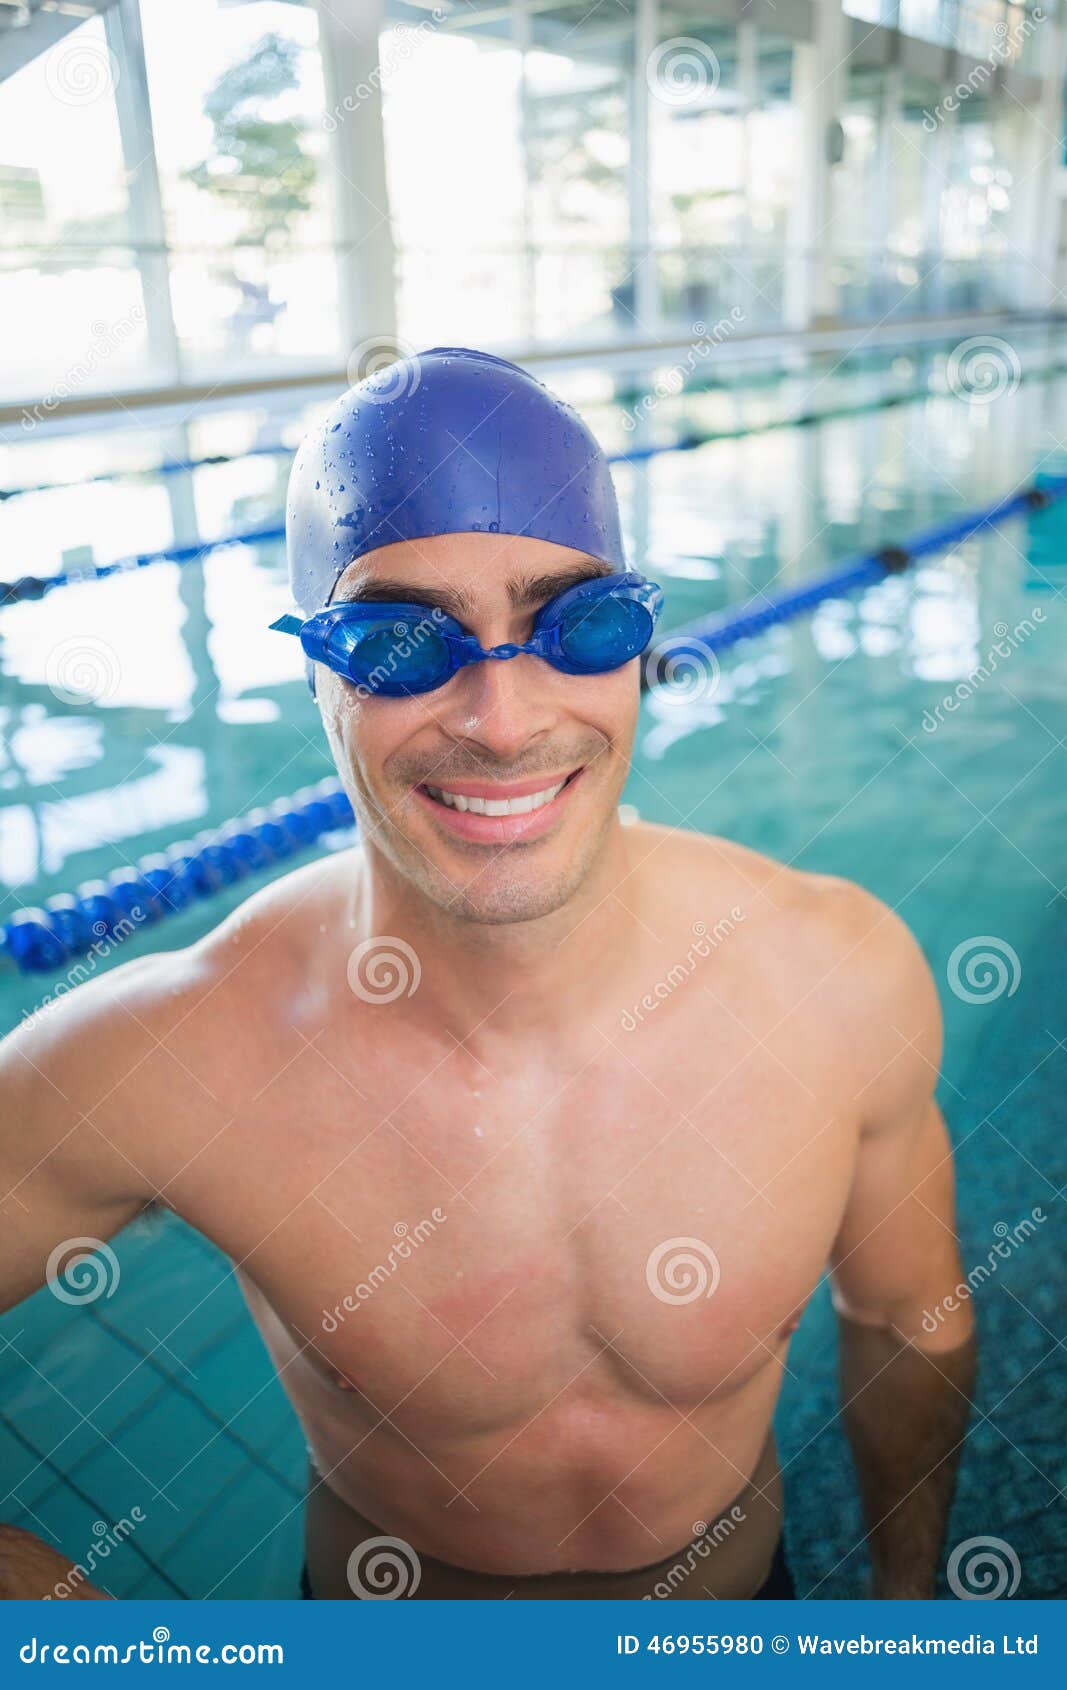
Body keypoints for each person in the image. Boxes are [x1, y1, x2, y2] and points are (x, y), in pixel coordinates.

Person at [0, 348, 975, 1600]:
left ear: (638, 647)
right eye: (399, 641)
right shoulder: (170, 1053)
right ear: (315, 671)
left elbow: (907, 1321)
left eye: (581, 623)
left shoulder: (836, 975)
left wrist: (911, 1612)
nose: (502, 721)